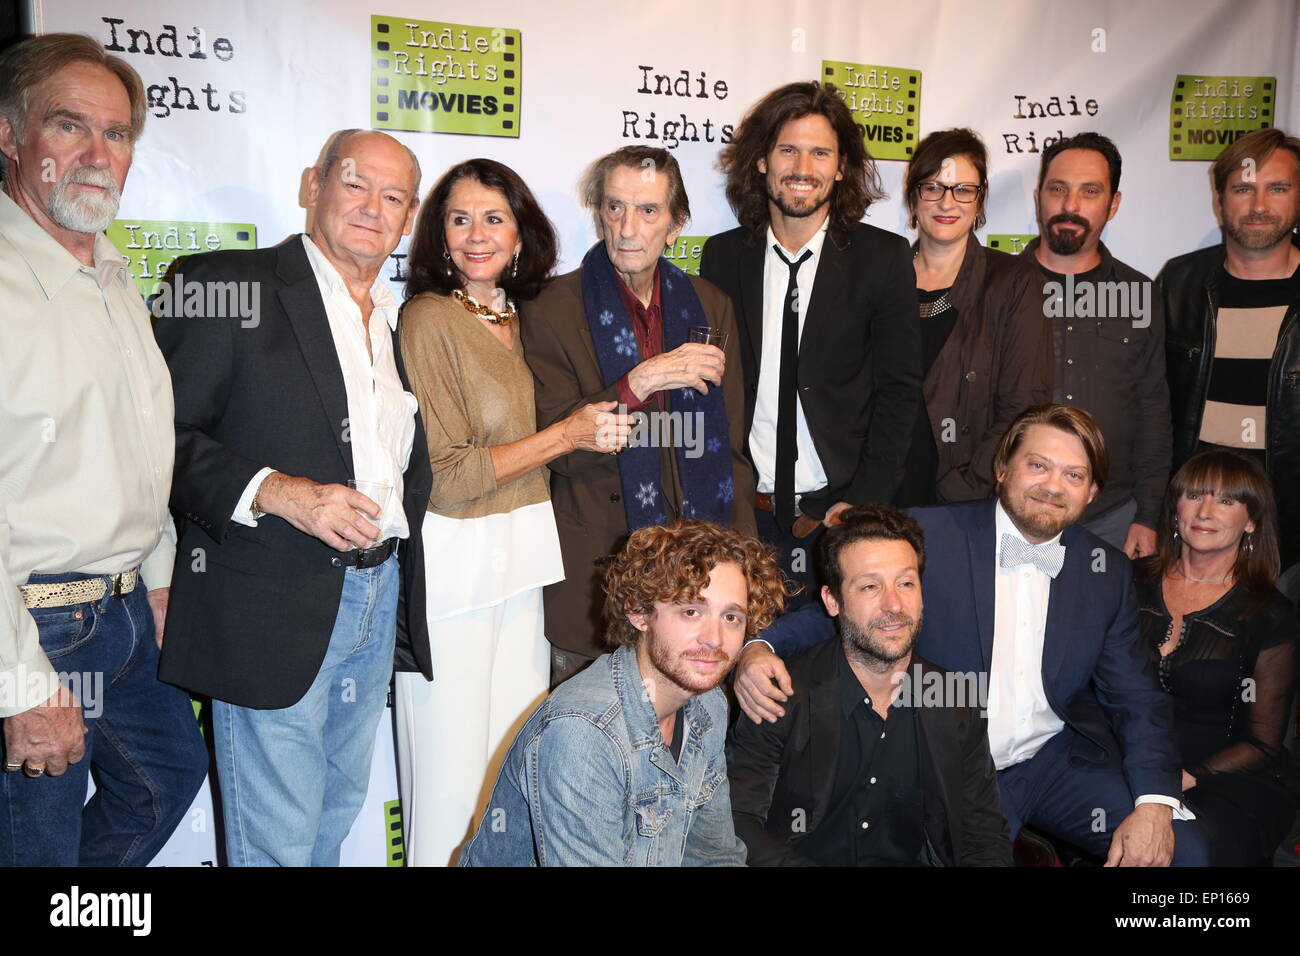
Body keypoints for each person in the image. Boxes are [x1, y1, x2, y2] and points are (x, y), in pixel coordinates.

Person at [735, 405, 1211, 865]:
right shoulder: (933, 533)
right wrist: (761, 647)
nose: (1052, 486)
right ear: (1002, 468)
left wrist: (1154, 804)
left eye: (1074, 475)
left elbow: (1137, 697)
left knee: (1183, 851)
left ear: (1092, 493)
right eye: (1038, 465)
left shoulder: (1103, 571)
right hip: (950, 768)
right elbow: (853, 609)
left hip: (1052, 761)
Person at [153, 129, 433, 866]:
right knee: (276, 840)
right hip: (267, 602)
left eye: (394, 196)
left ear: (408, 219)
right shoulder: (225, 283)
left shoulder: (396, 322)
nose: (372, 207)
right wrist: (276, 492)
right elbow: (158, 439)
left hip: (377, 595)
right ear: (313, 186)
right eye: (354, 183)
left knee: (333, 821)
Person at [0, 32, 207, 866]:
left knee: (165, 778)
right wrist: (18, 679)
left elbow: (140, 450)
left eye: (116, 134)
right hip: (36, 621)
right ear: (11, 136)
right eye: (68, 127)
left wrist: (156, 583)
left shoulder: (116, 277)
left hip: (120, 612)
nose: (96, 154)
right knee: (35, 844)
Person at [393, 158, 629, 866]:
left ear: (522, 234)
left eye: (494, 218)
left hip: (528, 561)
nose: (475, 234)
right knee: (446, 790)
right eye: (458, 218)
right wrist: (568, 434)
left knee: (512, 783)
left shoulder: (531, 320)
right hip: (456, 571)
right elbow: (451, 476)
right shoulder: (428, 319)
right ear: (437, 234)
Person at [521, 145, 755, 686]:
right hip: (596, 585)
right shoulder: (552, 306)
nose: (628, 228)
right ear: (598, 212)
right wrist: (641, 381)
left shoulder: (710, 306)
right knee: (586, 753)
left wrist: (739, 571)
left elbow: (732, 451)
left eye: (648, 211)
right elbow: (562, 454)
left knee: (686, 754)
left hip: (698, 585)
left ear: (676, 225)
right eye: (614, 207)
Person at [700, 81, 921, 604]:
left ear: (841, 167)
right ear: (761, 162)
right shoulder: (724, 257)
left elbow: (900, 393)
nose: (803, 167)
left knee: (824, 673)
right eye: (788, 150)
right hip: (743, 512)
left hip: (838, 515)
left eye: (821, 152)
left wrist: (862, 504)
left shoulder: (883, 259)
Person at [460, 519, 787, 866]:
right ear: (639, 613)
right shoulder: (583, 732)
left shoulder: (707, 704)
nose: (715, 638)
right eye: (691, 611)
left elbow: (714, 856)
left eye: (732, 617)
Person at [726, 503, 1013, 866]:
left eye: (906, 583)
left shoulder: (956, 699)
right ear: (832, 600)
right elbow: (737, 822)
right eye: (870, 587)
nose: (893, 605)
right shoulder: (779, 695)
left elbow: (982, 834)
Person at [1135, 449, 1299, 866]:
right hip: (1131, 751)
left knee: (1192, 850)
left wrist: (1179, 779)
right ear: (1175, 507)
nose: (1205, 511)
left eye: (1226, 500)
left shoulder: (1269, 614)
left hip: (1222, 776)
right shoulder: (1131, 580)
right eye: (1193, 495)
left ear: (1251, 520)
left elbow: (1263, 743)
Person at [1159, 127, 1300, 591]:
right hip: (1193, 527)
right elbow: (1149, 405)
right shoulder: (1179, 284)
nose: (1259, 205)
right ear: (1220, 200)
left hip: (1291, 533)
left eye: (1277, 188)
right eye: (1243, 189)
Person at [1023, 132, 1171, 557]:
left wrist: (1148, 514)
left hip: (1111, 519)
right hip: (1012, 513)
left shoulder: (1140, 295)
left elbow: (1153, 410)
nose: (1071, 205)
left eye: (1090, 191)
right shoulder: (997, 288)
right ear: (1039, 198)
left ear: (1114, 203)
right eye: (1058, 189)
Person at [898, 128, 1053, 506]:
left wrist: (964, 487)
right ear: (914, 197)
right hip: (883, 490)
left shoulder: (1014, 282)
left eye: (963, 190)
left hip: (965, 499)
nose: (947, 203)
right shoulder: (885, 276)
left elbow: (1024, 407)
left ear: (980, 200)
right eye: (932, 187)